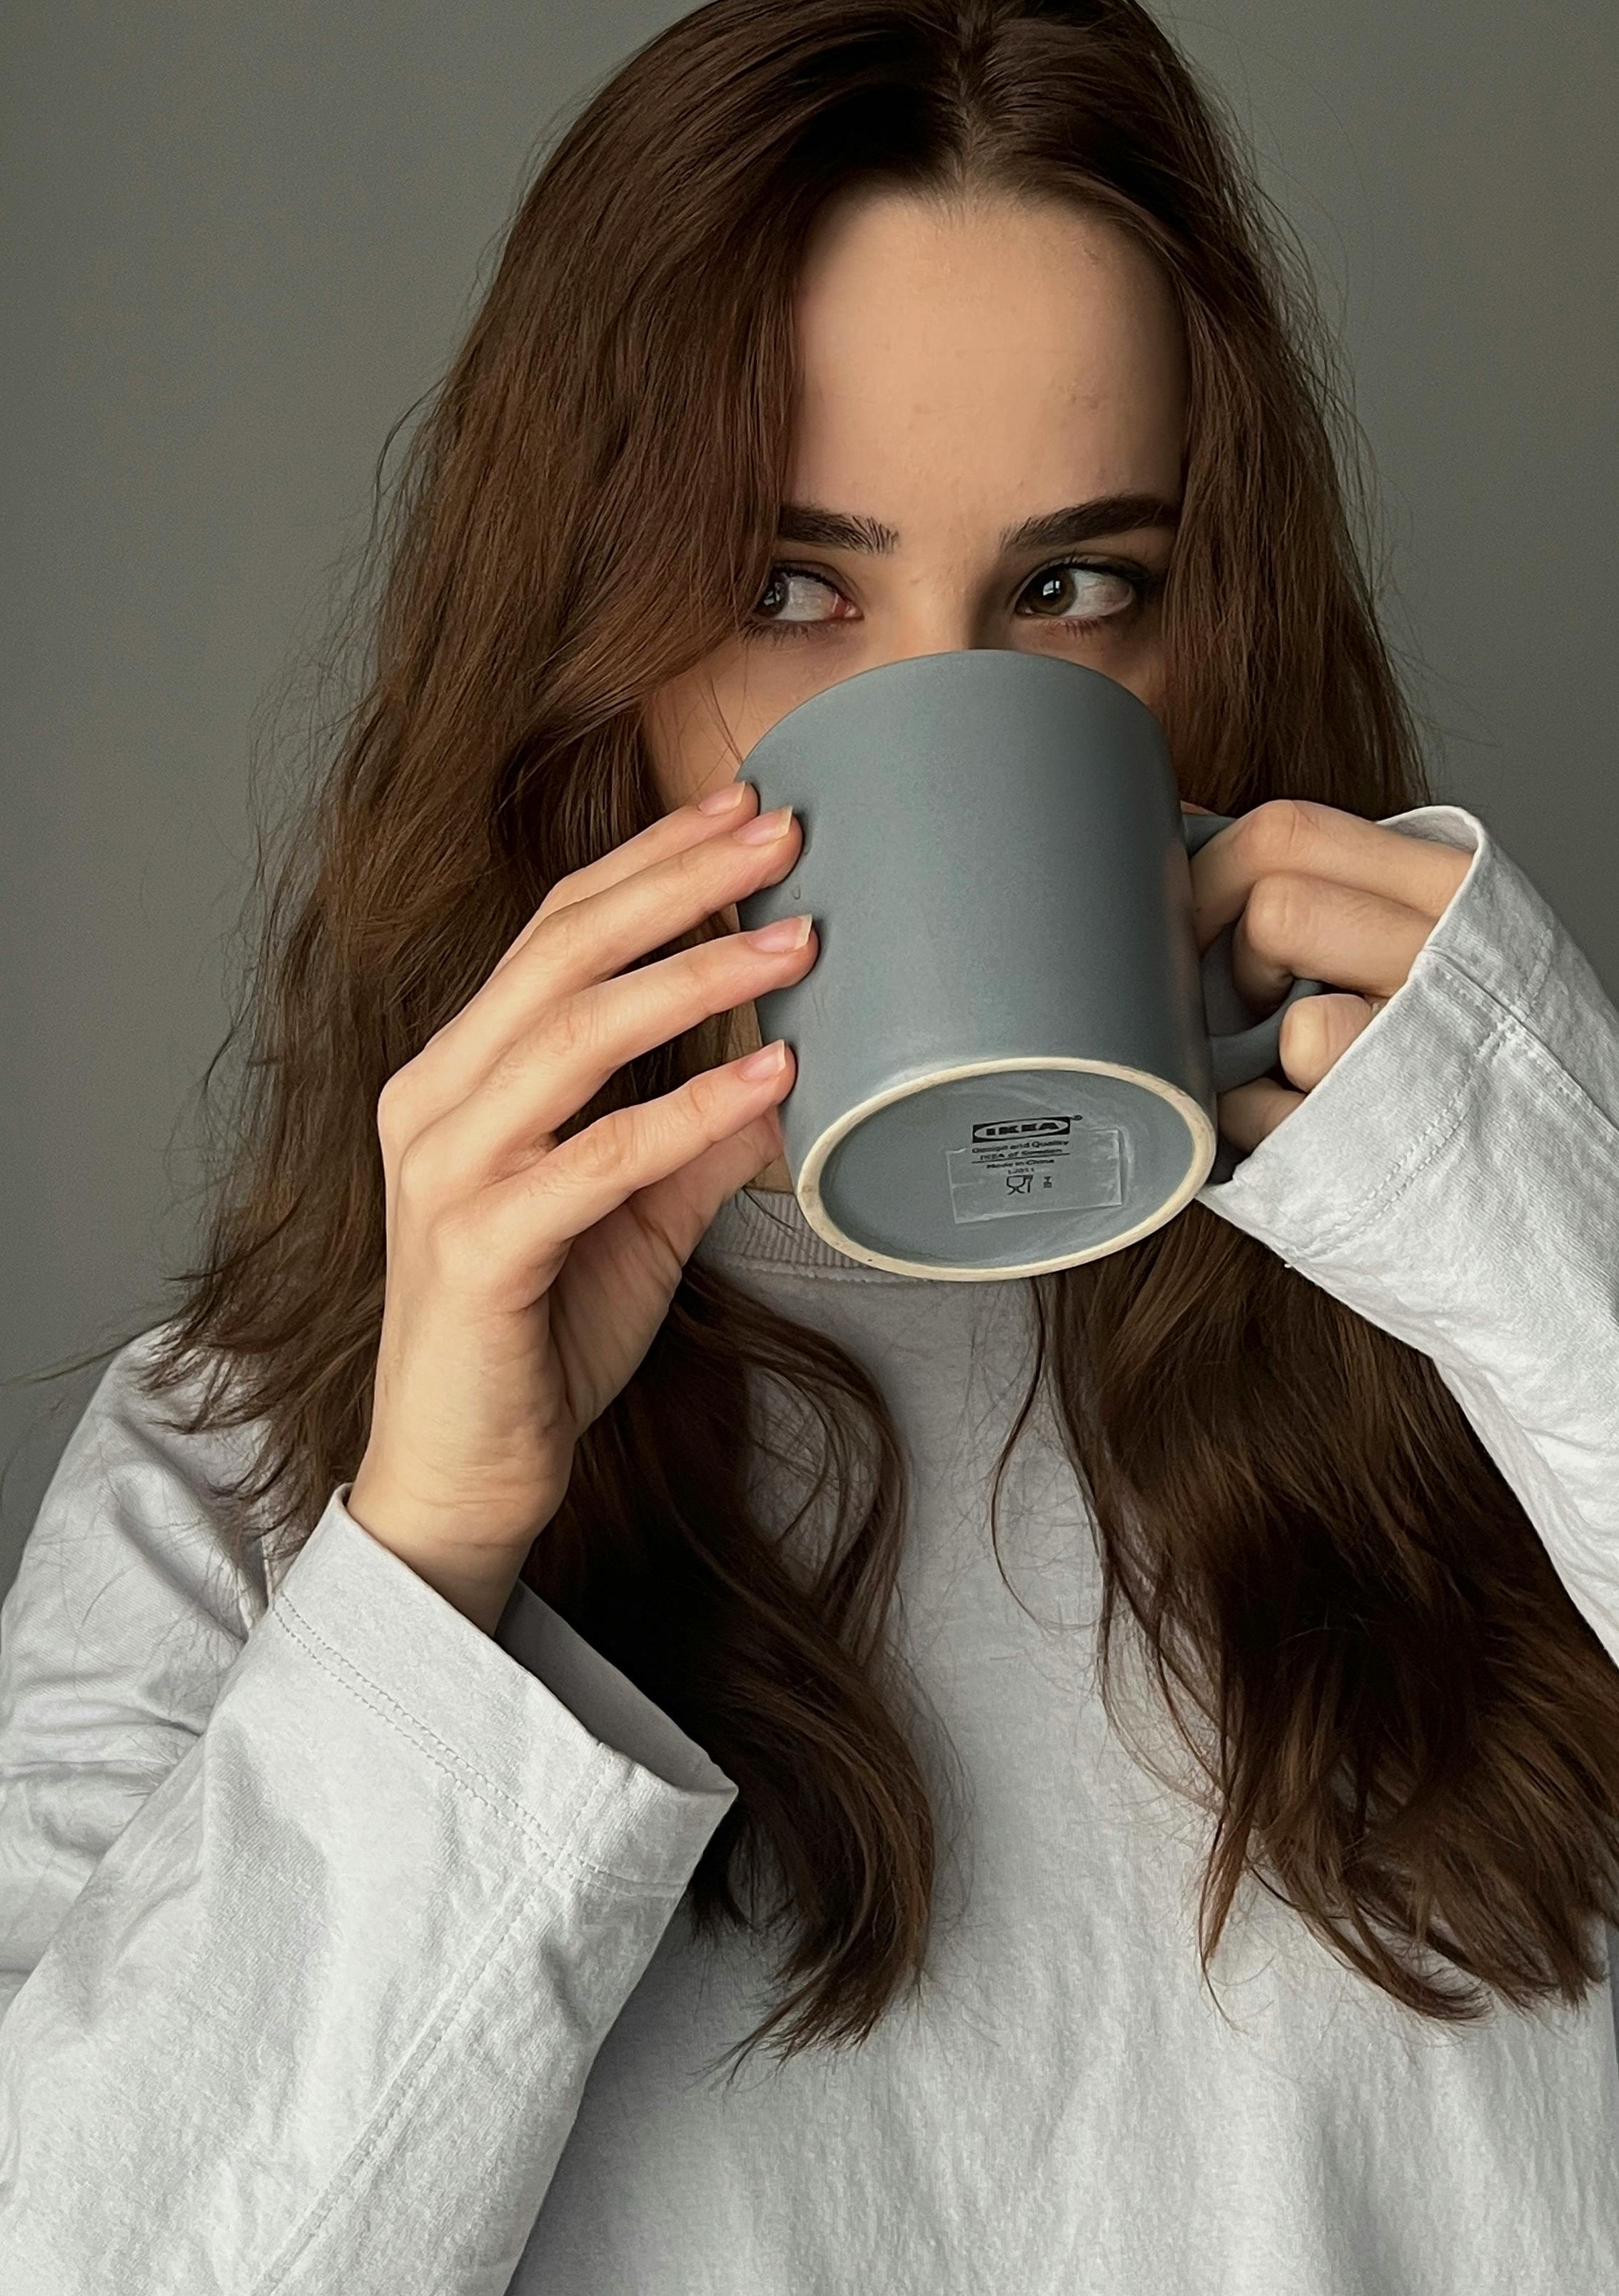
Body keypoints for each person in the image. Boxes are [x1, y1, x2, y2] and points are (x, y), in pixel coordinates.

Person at [4, 2, 1618, 2288]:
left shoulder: (1493, 1305)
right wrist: (434, 1554)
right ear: (594, 639)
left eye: (1078, 588)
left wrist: (1550, 1219)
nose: (927, 716)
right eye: (787, 590)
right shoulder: (249, 1467)